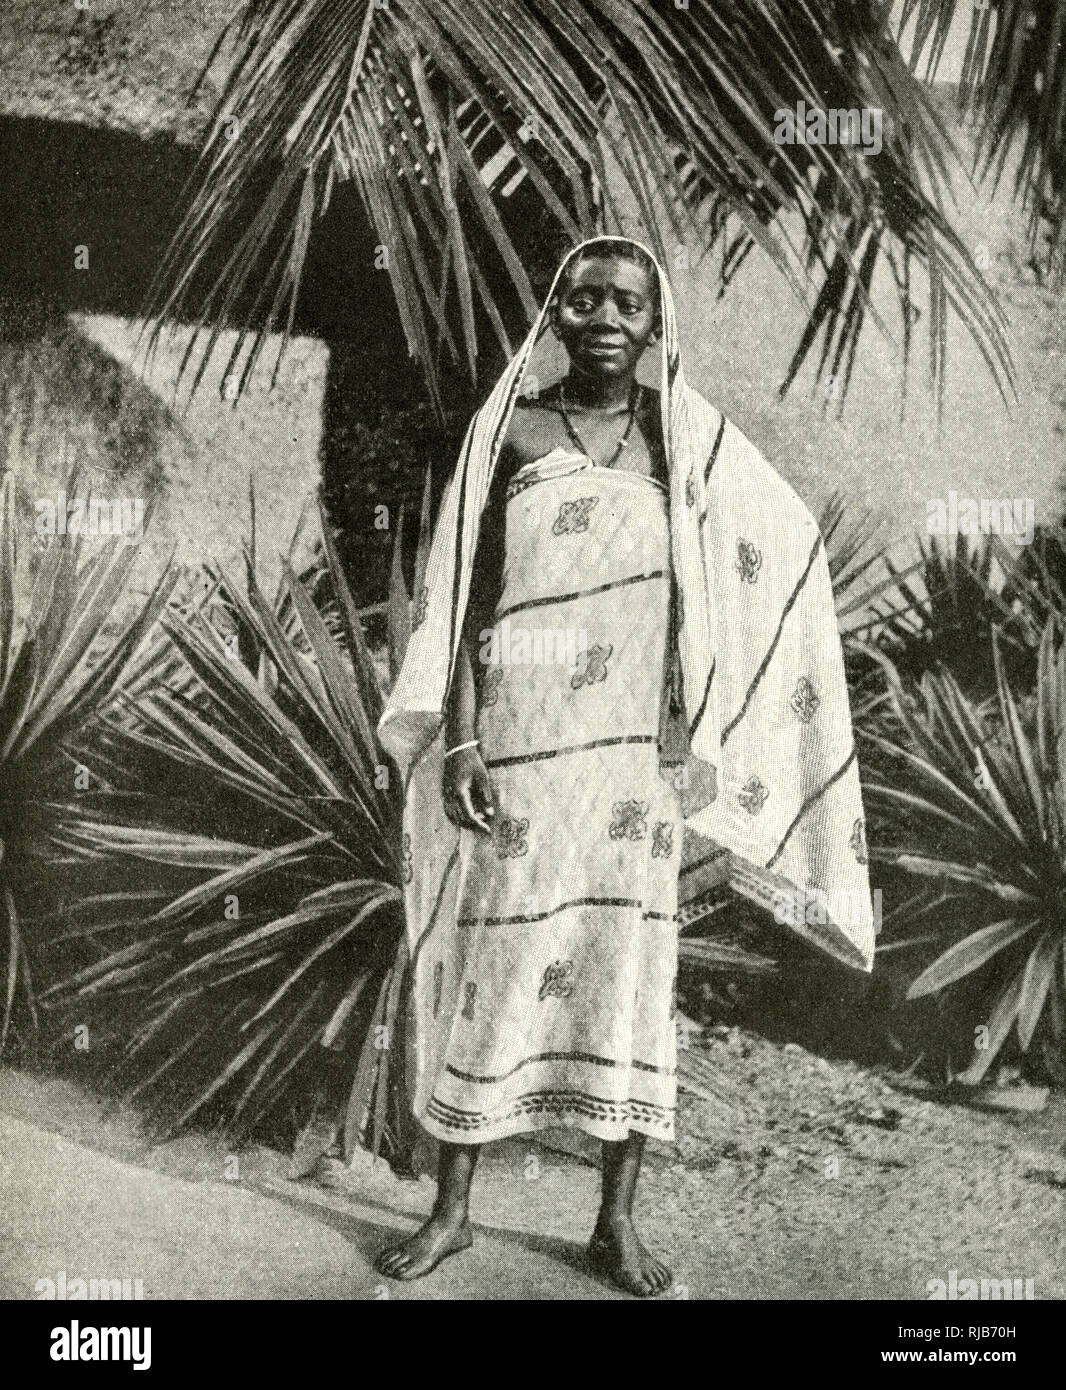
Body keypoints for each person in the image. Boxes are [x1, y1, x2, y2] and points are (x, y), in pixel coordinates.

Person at [375, 237, 875, 1296]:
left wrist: (697, 722)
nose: (606, 315)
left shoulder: (682, 440)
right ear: (554, 312)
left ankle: (614, 1222)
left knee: (631, 980)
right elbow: (463, 603)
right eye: (584, 296)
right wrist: (460, 738)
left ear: (657, 324)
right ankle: (454, 1210)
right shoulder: (508, 432)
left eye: (629, 302)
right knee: (494, 967)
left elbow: (764, 559)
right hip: (520, 753)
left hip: (630, 774)